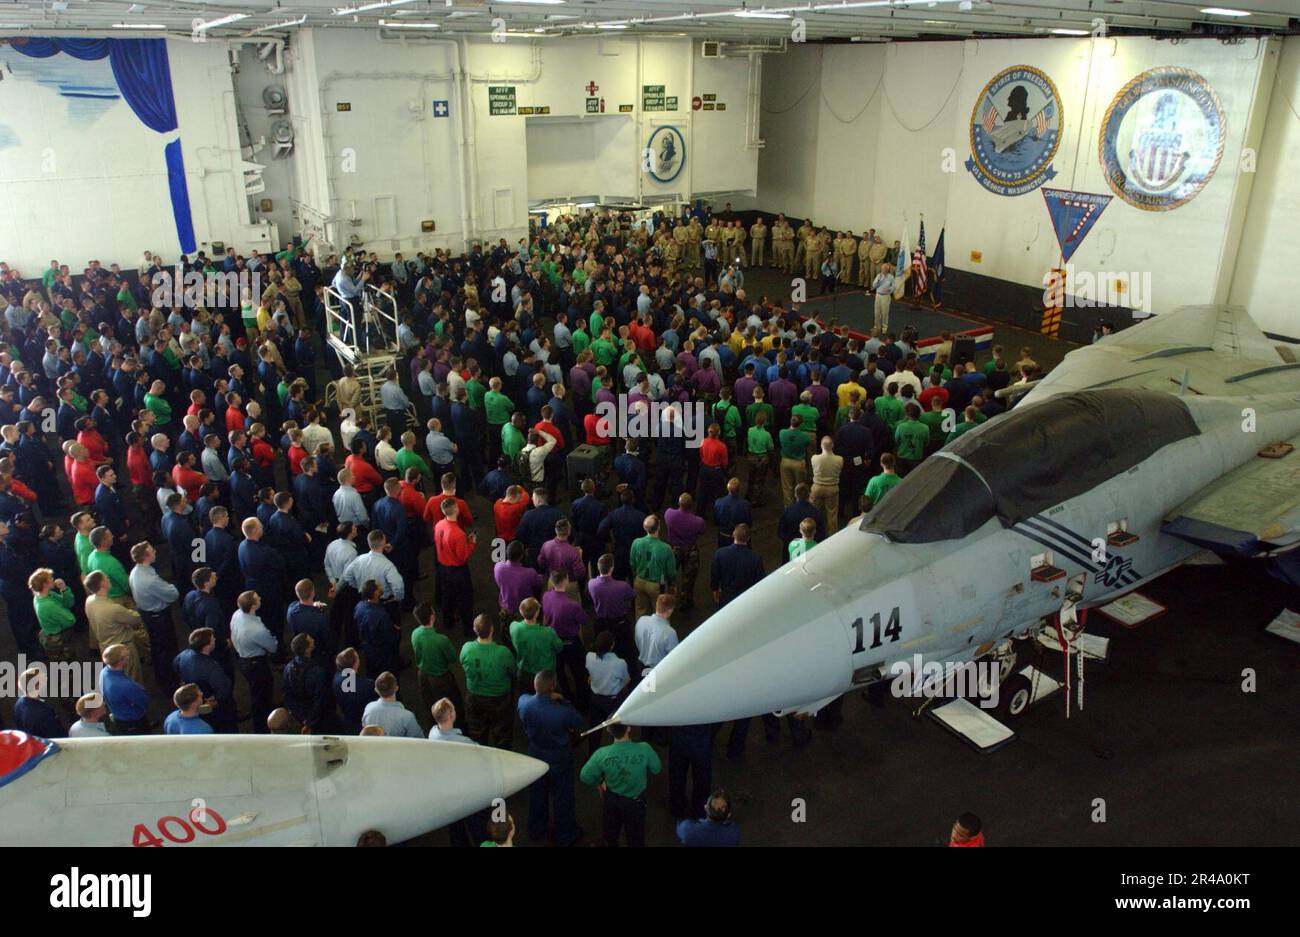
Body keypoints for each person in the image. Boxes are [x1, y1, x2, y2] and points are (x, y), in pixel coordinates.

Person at [517, 670, 585, 846]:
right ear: (553, 687)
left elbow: (524, 700)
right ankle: (565, 836)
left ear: (535, 685)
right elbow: (578, 721)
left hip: (536, 754)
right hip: (559, 758)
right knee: (563, 797)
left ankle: (536, 829)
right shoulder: (563, 712)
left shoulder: (524, 703)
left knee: (537, 794)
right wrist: (563, 700)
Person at [579, 722, 662, 848]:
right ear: (629, 728)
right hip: (636, 802)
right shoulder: (645, 748)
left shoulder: (601, 754)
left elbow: (585, 776)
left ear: (608, 730)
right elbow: (657, 769)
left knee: (611, 835)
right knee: (636, 837)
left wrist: (600, 783)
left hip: (611, 800)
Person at [459, 614, 517, 749]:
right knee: (503, 736)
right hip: (500, 700)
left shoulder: (467, 648)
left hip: (474, 698)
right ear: (492, 629)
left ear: (474, 630)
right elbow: (512, 671)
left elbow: (462, 664)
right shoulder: (503, 652)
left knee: (477, 735)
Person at [411, 602, 462, 723]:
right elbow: (452, 658)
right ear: (432, 616)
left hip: (423, 674)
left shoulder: (415, 633)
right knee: (450, 704)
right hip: (441, 678)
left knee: (429, 702)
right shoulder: (441, 639)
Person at [361, 671, 424, 738]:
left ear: (376, 690)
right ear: (396, 688)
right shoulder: (408, 716)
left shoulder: (368, 708)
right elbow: (418, 739)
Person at [677, 790, 741, 847]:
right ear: (728, 815)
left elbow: (680, 825)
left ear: (705, 807)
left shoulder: (687, 830)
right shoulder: (734, 833)